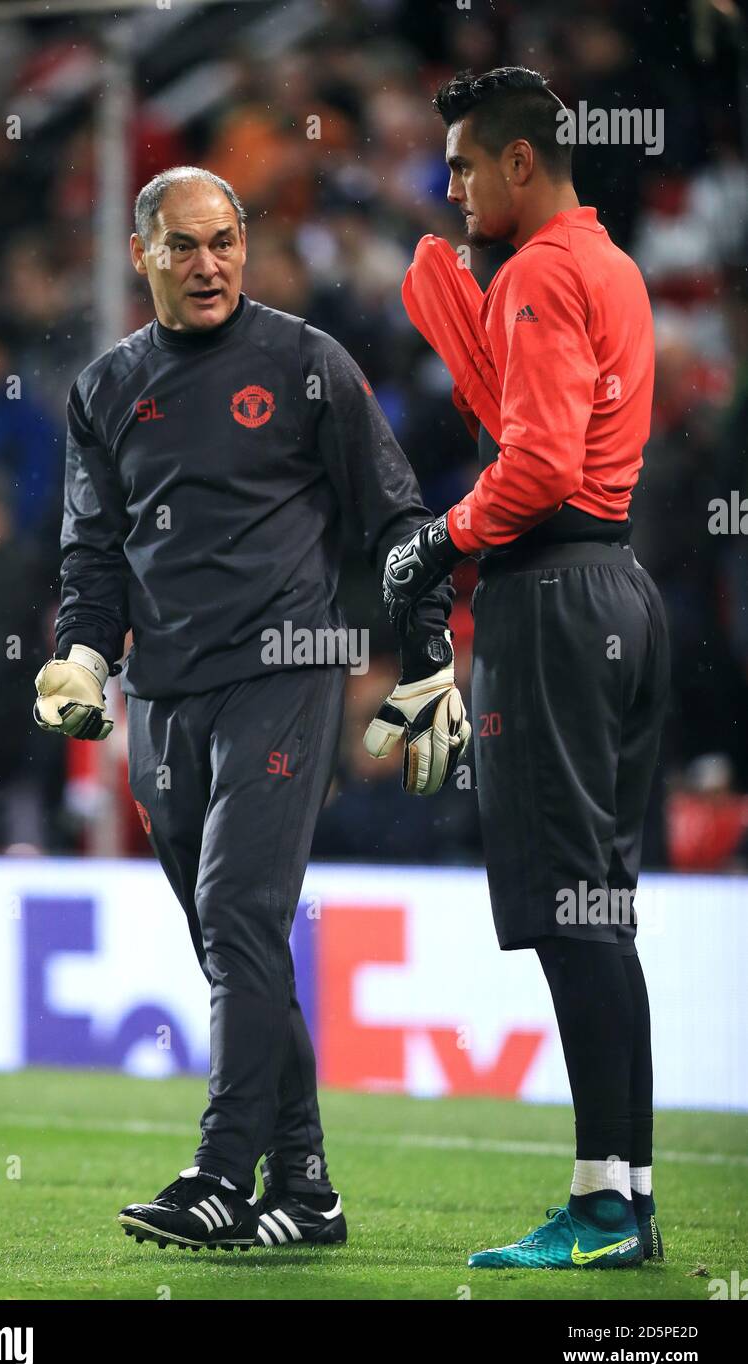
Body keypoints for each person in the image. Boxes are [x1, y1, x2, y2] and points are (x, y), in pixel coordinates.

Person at [33, 166, 470, 1252]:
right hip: (165, 701)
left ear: (244, 242)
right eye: (182, 245)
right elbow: (92, 553)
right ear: (142, 255)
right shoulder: (103, 390)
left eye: (223, 239)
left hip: (286, 674)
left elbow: (397, 516)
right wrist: (84, 658)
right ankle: (307, 1188)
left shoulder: (307, 363)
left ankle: (222, 1174)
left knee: (235, 916)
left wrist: (425, 665)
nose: (208, 262)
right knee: (237, 943)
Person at [383, 69, 670, 1271]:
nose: (446, 186)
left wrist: (434, 542)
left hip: (551, 595)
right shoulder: (606, 264)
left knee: (573, 914)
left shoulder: (543, 271)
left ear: (515, 162)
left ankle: (607, 1211)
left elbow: (539, 463)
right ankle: (621, 1194)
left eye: (458, 163)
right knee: (596, 907)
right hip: (615, 587)